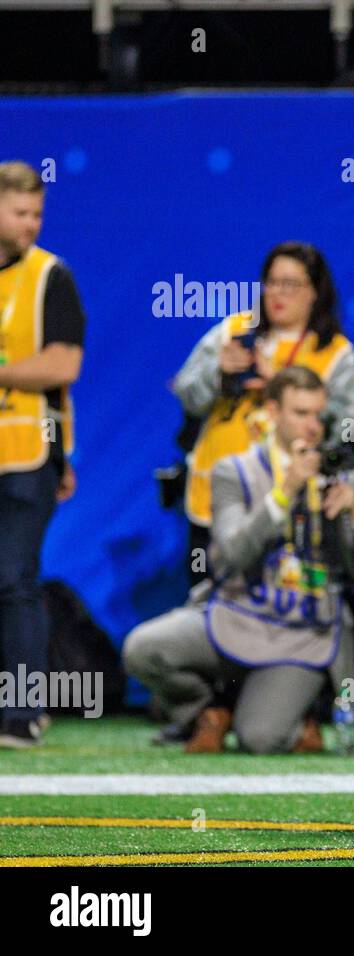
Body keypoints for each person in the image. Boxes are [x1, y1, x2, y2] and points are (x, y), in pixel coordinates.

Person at [124, 367, 354, 754]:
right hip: (234, 614)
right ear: (273, 411)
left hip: (302, 631)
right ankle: (209, 711)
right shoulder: (235, 470)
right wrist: (283, 494)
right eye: (300, 413)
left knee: (260, 739)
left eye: (318, 414)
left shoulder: (338, 473)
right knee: (143, 648)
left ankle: (290, 715)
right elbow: (230, 554)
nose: (313, 425)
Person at [173, 242, 354, 582]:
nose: (278, 293)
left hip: (289, 501)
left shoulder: (335, 352)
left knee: (276, 604)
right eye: (272, 282)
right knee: (207, 601)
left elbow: (344, 428)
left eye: (291, 284)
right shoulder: (235, 331)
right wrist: (218, 374)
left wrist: (278, 384)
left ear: (314, 292)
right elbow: (185, 391)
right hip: (216, 493)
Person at [0, 161, 84, 749]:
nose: (31, 224)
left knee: (13, 578)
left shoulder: (52, 276)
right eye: (20, 212)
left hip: (30, 453)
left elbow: (62, 365)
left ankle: (23, 711)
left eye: (37, 214)